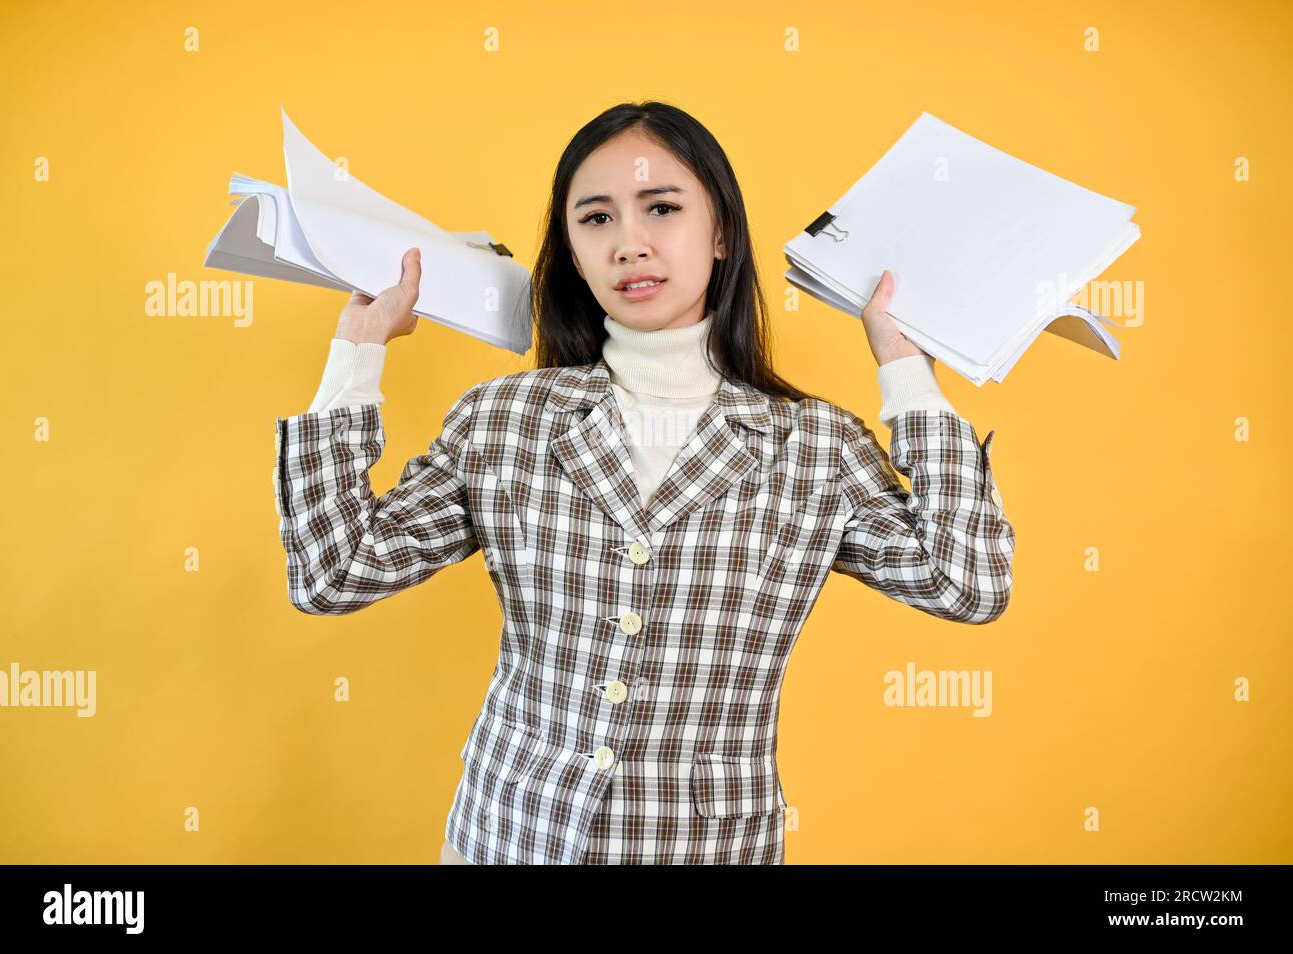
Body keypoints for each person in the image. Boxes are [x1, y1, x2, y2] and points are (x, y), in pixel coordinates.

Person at [273, 101, 1015, 865]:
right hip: (509, 837)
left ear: (721, 232)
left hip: (705, 847)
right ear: (571, 249)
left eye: (661, 207)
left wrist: (907, 372)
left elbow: (967, 583)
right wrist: (357, 355)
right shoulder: (505, 422)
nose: (630, 244)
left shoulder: (816, 448)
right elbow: (334, 573)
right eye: (595, 220)